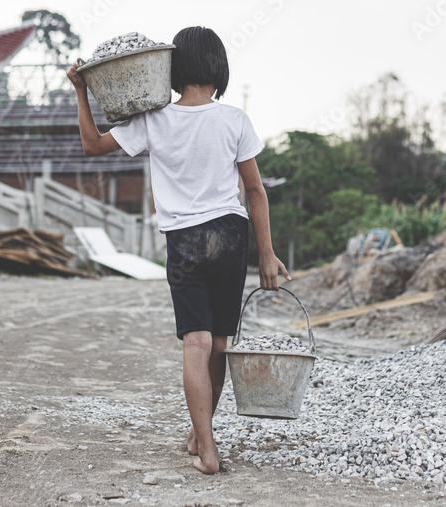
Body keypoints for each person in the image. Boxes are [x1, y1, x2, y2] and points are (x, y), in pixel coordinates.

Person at [67, 25, 290, 474]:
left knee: (196, 341)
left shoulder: (154, 119)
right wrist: (266, 253)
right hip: (230, 234)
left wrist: (80, 90)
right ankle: (202, 435)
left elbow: (91, 146)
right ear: (219, 69)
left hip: (185, 238)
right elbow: (255, 191)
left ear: (170, 68)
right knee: (220, 344)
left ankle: (203, 446)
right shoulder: (234, 119)